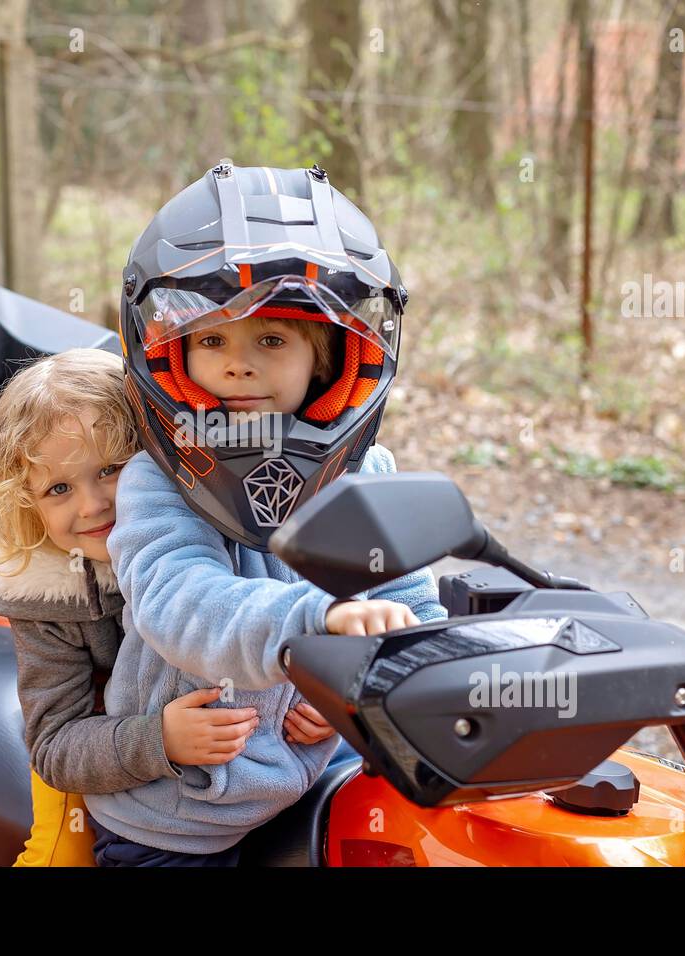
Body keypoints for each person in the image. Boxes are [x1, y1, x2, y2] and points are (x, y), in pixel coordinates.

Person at [83, 162, 448, 865]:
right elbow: (181, 605)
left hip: (309, 784)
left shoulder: (361, 473)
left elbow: (408, 605)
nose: (238, 365)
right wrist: (313, 635)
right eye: (213, 340)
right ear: (172, 354)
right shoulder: (158, 480)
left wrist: (362, 699)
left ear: (329, 361)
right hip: (174, 819)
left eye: (271, 341)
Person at [0, 347, 318, 865]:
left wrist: (326, 700)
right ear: (26, 504)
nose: (93, 504)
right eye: (58, 487)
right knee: (60, 855)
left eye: (111, 468)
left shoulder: (210, 539)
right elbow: (56, 745)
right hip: (122, 783)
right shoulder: (45, 598)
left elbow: (277, 615)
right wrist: (159, 741)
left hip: (262, 777)